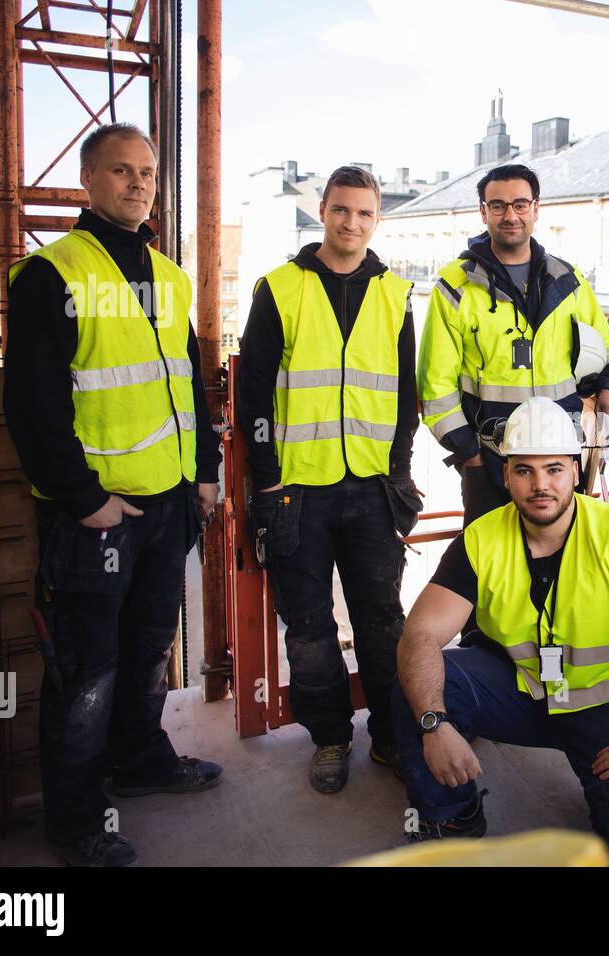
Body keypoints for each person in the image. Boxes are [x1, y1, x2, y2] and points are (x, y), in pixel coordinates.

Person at [3, 122, 223, 867]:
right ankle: (74, 819)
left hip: (165, 504)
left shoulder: (169, 275)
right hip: (95, 515)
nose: (138, 184)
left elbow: (188, 382)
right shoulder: (51, 274)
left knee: (146, 651)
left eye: (148, 173)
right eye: (122, 171)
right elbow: (32, 404)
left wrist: (204, 469)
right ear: (88, 179)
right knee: (84, 674)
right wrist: (79, 497)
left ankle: (141, 760)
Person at [392, 397, 609, 860]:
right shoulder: (481, 538)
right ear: (506, 476)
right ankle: (452, 817)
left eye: (554, 469)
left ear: (577, 470)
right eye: (524, 470)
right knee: (412, 681)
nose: (540, 484)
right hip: (522, 689)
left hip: (607, 699)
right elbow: (420, 634)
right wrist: (434, 724)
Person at [236, 165, 419, 792]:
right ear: (322, 210)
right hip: (298, 489)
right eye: (341, 210)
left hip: (371, 489)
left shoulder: (395, 294)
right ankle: (332, 740)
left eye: (364, 213)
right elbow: (253, 393)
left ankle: (394, 739)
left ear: (377, 218)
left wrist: (398, 471)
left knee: (382, 621)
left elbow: (406, 394)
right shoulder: (280, 288)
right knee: (311, 627)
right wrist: (266, 481)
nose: (351, 223)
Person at [418, 164, 609, 527]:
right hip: (491, 459)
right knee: (491, 566)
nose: (510, 215)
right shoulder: (456, 287)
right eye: (497, 206)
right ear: (483, 212)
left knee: (562, 563)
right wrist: (470, 454)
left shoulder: (568, 280)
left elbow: (605, 345)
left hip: (560, 456)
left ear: (535, 208)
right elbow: (435, 384)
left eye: (519, 204)